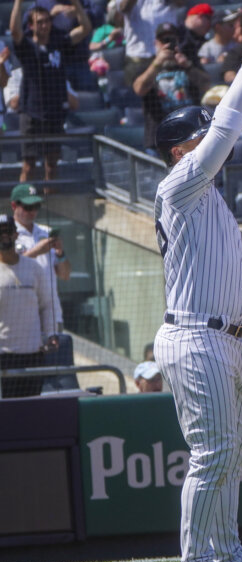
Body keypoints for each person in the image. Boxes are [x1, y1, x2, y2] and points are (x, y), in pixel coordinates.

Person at [151, 13, 242, 562]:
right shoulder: (178, 185)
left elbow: (208, 268)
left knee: (232, 453)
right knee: (212, 452)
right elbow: (229, 126)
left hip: (225, 336)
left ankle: (226, 553)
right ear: (180, 150)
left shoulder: (209, 198)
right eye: (200, 137)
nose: (212, 142)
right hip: (194, 334)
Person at [11, 0, 93, 185]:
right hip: (31, 113)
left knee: (52, 165)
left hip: (55, 113)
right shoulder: (26, 46)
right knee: (28, 166)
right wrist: (18, 2)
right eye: (39, 22)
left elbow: (85, 29)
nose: (45, 25)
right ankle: (23, 200)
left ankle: (53, 197)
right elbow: (14, 31)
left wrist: (76, 4)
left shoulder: (59, 42)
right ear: (31, 26)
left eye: (47, 21)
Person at [0, 213, 57, 399]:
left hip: (33, 355)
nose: (4, 236)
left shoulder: (34, 268)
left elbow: (47, 305)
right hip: (4, 357)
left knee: (32, 408)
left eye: (8, 231)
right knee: (7, 411)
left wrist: (51, 333)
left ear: (16, 234)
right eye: (0, 232)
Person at [133, 22, 210, 155]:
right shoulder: (148, 65)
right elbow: (139, 89)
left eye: (172, 39)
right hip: (159, 136)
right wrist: (157, 63)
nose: (168, 44)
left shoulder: (189, 61)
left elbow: (206, 85)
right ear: (156, 43)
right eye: (164, 40)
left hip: (191, 135)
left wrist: (187, 65)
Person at [12, 184, 69, 332]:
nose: (33, 212)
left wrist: (60, 253)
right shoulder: (5, 233)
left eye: (36, 206)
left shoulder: (46, 231)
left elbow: (65, 275)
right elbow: (5, 267)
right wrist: (35, 252)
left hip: (51, 314)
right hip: (19, 315)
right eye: (28, 207)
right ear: (14, 206)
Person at [36, 0, 105, 90]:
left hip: (80, 62)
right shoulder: (41, 3)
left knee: (88, 96)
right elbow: (27, 27)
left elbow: (99, 17)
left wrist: (79, 11)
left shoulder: (81, 1)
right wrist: (50, 16)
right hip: (54, 64)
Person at [118, 0, 182, 88]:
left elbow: (181, 3)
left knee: (169, 91)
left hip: (167, 55)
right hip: (139, 58)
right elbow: (123, 7)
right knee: (137, 93)